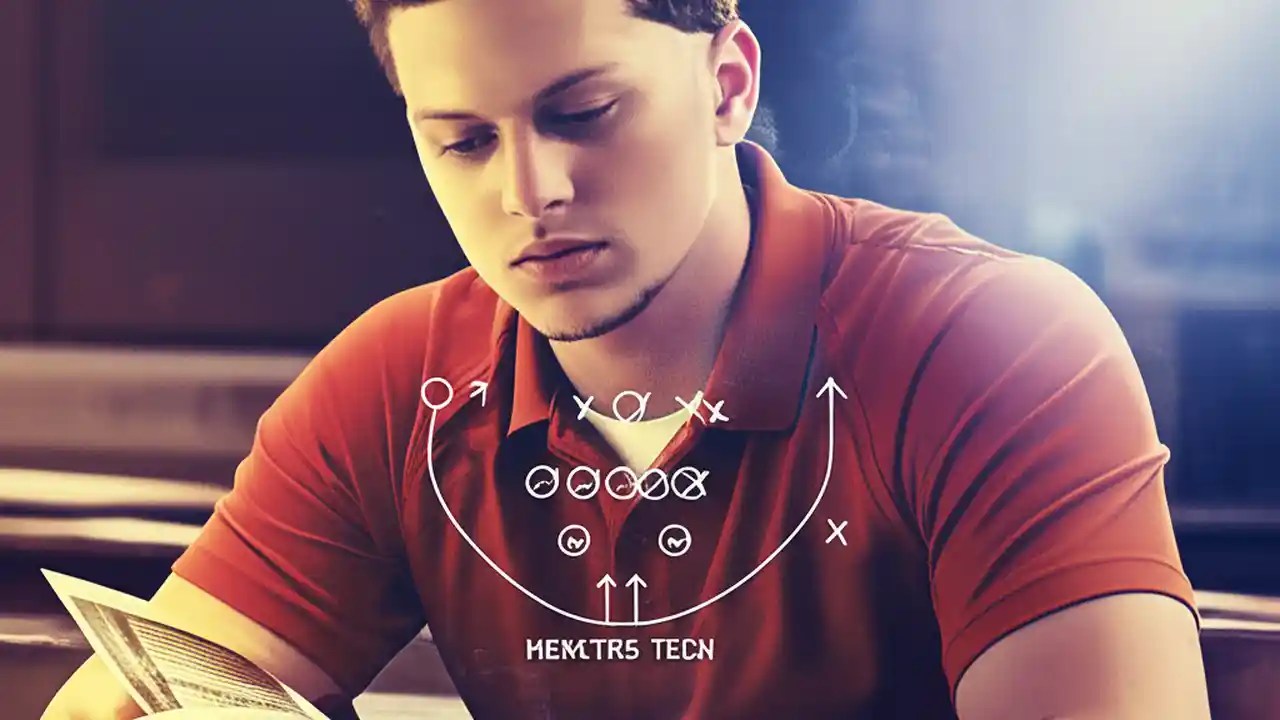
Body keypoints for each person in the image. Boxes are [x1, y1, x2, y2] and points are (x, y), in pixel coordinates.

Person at [43, 0, 1212, 718]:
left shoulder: (991, 346)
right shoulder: (397, 382)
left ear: (727, 85)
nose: (526, 195)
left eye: (584, 112)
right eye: (460, 142)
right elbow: (129, 701)